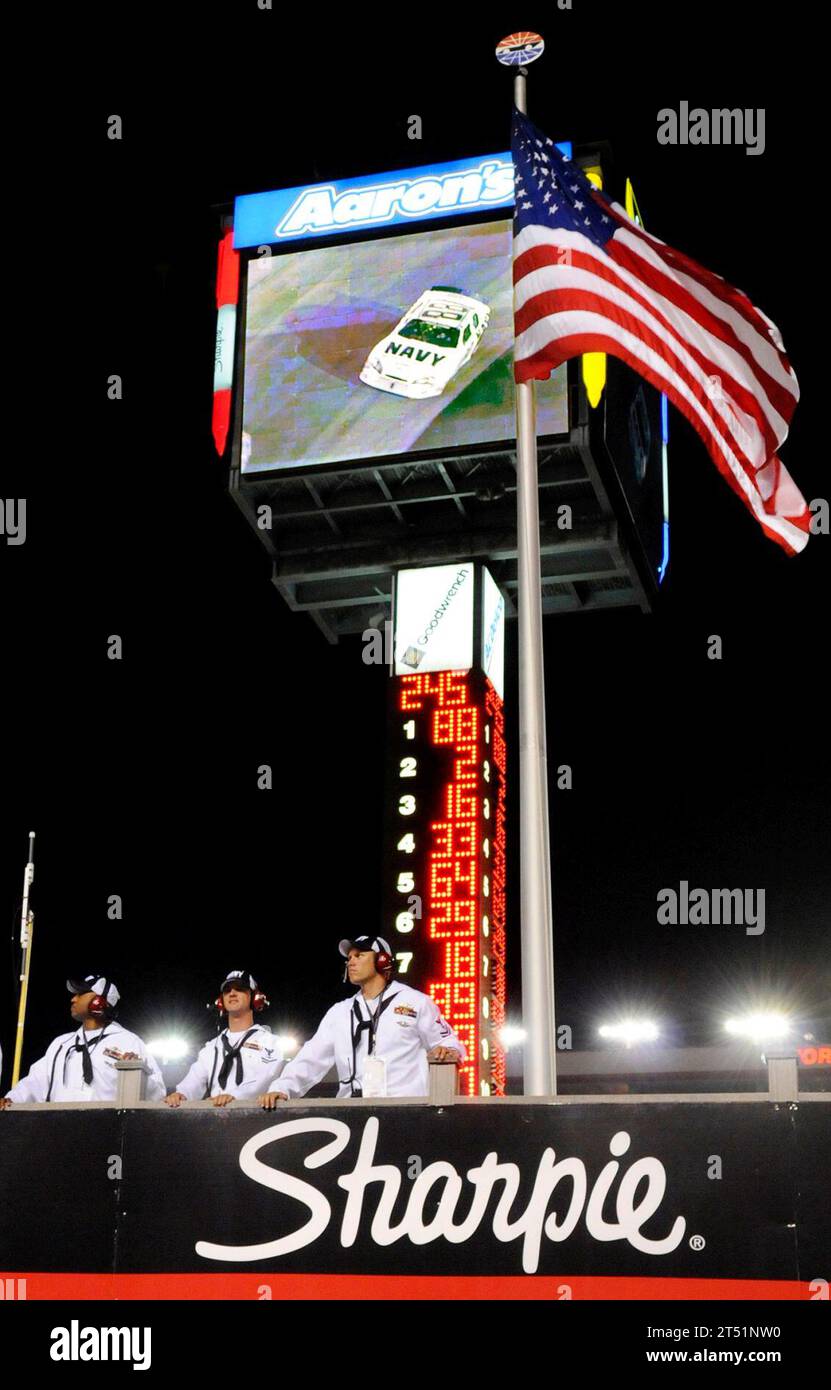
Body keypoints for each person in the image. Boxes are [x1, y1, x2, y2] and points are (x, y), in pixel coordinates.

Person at [259, 935, 464, 1106]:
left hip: (405, 1110)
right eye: (349, 957)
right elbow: (310, 1059)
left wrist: (448, 1050)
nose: (351, 961)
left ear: (382, 960)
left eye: (359, 955)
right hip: (353, 1112)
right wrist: (282, 1088)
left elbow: (449, 1043)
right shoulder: (340, 1012)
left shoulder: (415, 1002)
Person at [0, 974, 164, 1106]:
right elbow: (36, 1081)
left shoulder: (129, 1042)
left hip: (107, 1132)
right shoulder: (62, 1043)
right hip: (58, 1129)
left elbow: (157, 1093)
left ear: (98, 1001)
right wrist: (12, 1099)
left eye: (80, 994)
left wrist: (139, 1073)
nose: (73, 999)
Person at [165, 970, 284, 1107]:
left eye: (240, 989)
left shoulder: (271, 1042)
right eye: (227, 991)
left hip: (257, 1119)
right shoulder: (211, 1047)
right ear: (221, 1001)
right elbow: (195, 1079)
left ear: (255, 998)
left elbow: (266, 1077)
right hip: (215, 1119)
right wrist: (182, 1094)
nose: (232, 993)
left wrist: (235, 1097)